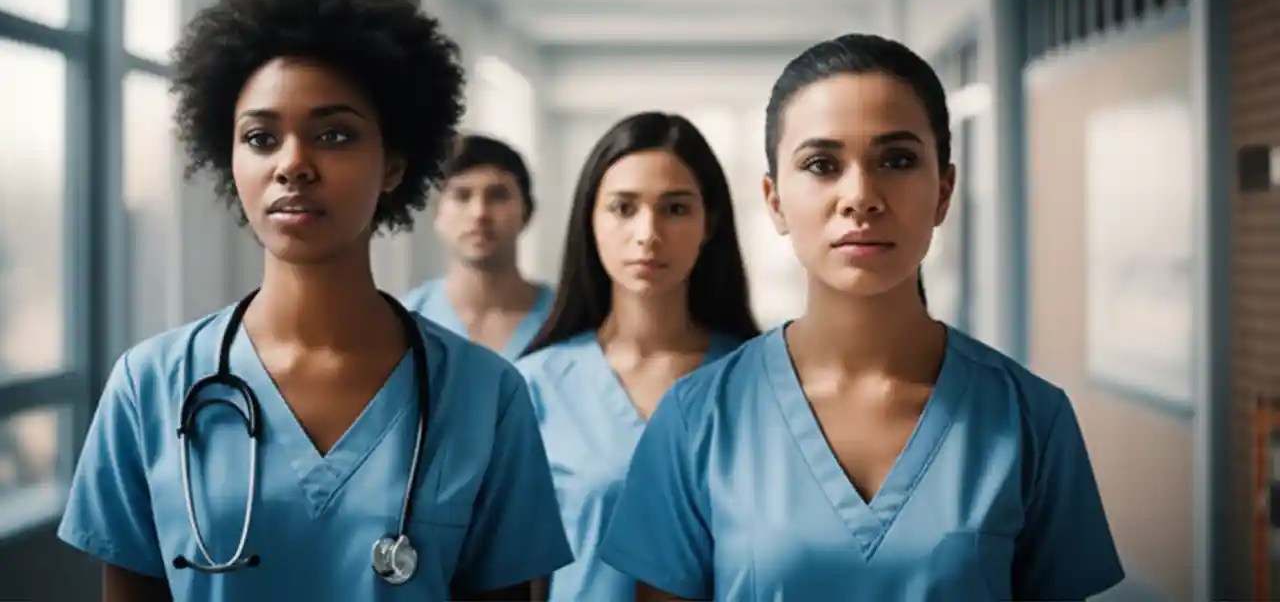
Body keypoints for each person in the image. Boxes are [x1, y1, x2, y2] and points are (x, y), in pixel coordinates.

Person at [57, 0, 571, 602]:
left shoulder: (485, 397)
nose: (292, 164)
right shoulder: (150, 387)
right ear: (229, 158)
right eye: (261, 137)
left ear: (394, 166)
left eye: (334, 134)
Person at [597, 34, 1125, 601]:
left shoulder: (1028, 419)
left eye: (896, 160)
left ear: (944, 191)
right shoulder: (696, 420)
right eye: (822, 165)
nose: (861, 196)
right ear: (775, 201)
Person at [517, 112, 759, 602]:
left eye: (674, 208)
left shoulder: (761, 382)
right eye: (623, 208)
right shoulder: (534, 387)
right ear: (591, 218)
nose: (648, 233)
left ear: (709, 221)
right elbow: (521, 581)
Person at [402, 134, 553, 360]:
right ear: (437, 212)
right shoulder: (403, 325)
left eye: (498, 196)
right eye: (462, 196)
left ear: (527, 211)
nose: (480, 213)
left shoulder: (566, 321)